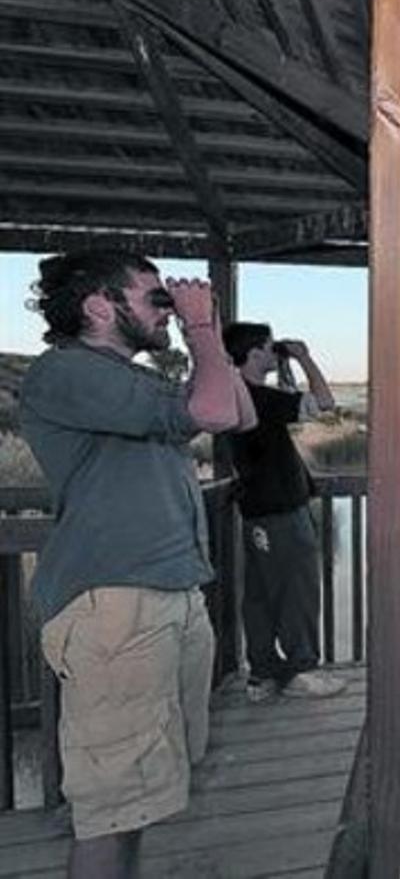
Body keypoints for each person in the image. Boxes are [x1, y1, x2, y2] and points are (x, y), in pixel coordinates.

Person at [19, 250, 257, 879]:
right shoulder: (67, 372)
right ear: (100, 306)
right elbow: (207, 413)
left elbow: (238, 413)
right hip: (114, 607)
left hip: (166, 594)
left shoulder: (135, 379)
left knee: (139, 800)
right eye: (154, 297)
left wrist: (210, 339)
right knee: (110, 807)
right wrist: (200, 329)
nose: (166, 309)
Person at [222, 322, 347, 701]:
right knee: (297, 591)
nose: (274, 351)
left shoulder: (238, 396)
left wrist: (286, 363)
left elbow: (290, 400)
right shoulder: (260, 398)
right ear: (255, 353)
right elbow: (324, 404)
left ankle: (262, 675)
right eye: (267, 346)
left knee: (259, 596)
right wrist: (304, 356)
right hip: (281, 513)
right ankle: (301, 671)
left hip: (257, 512)